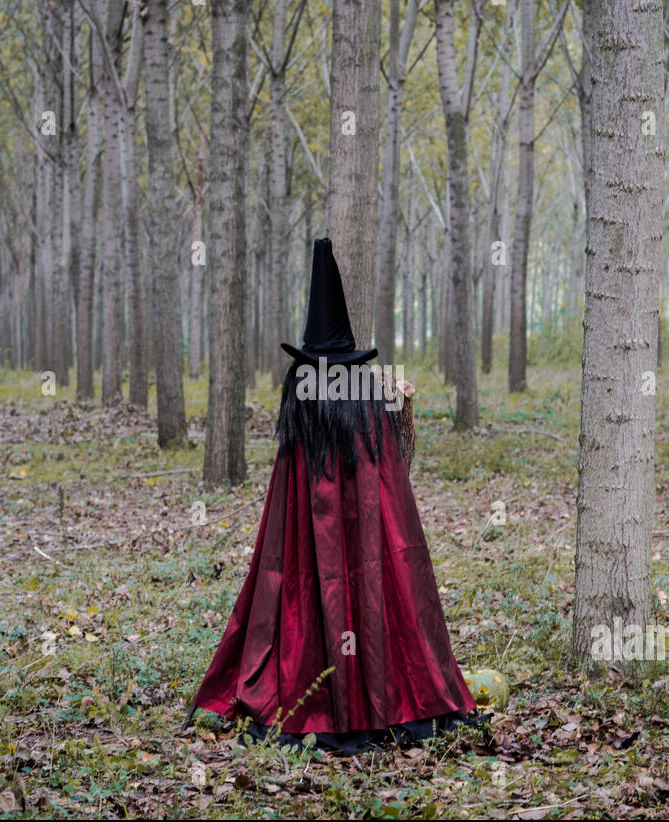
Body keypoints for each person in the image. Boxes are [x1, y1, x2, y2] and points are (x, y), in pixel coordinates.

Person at [186, 238, 479, 753]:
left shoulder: (302, 395)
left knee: (311, 587)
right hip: (366, 552)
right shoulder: (365, 395)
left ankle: (323, 700)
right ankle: (378, 700)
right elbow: (390, 479)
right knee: (365, 586)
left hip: (314, 551)